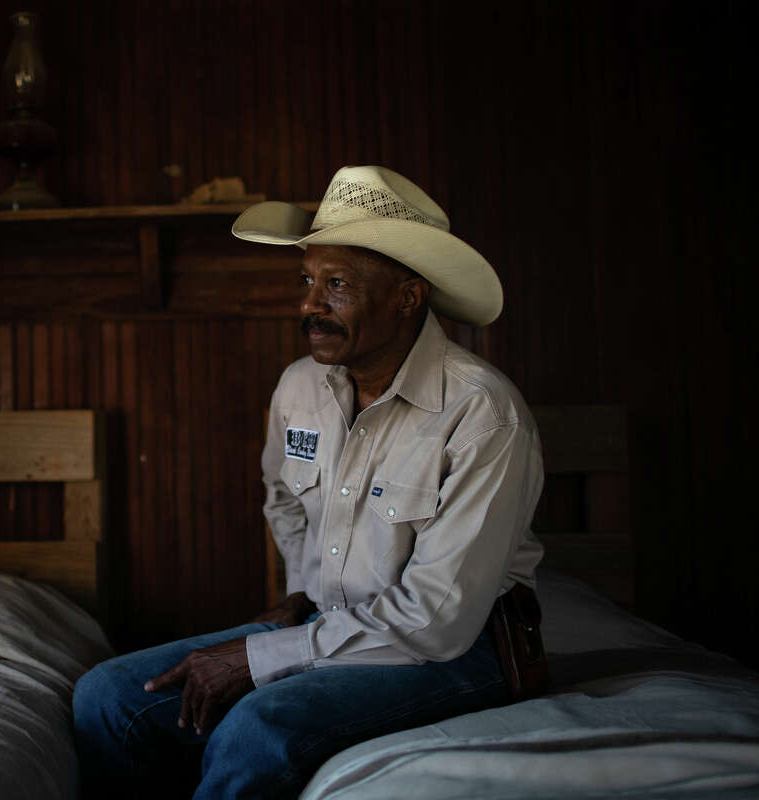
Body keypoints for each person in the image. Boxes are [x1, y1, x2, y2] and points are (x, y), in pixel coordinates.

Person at [73, 165, 545, 799]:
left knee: (256, 726)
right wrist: (302, 589)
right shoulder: (301, 387)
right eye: (307, 281)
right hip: (330, 622)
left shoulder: (482, 414)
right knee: (106, 697)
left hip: (460, 651)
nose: (308, 305)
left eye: (337, 284)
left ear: (408, 296)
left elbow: (437, 622)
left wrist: (259, 658)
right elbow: (284, 498)